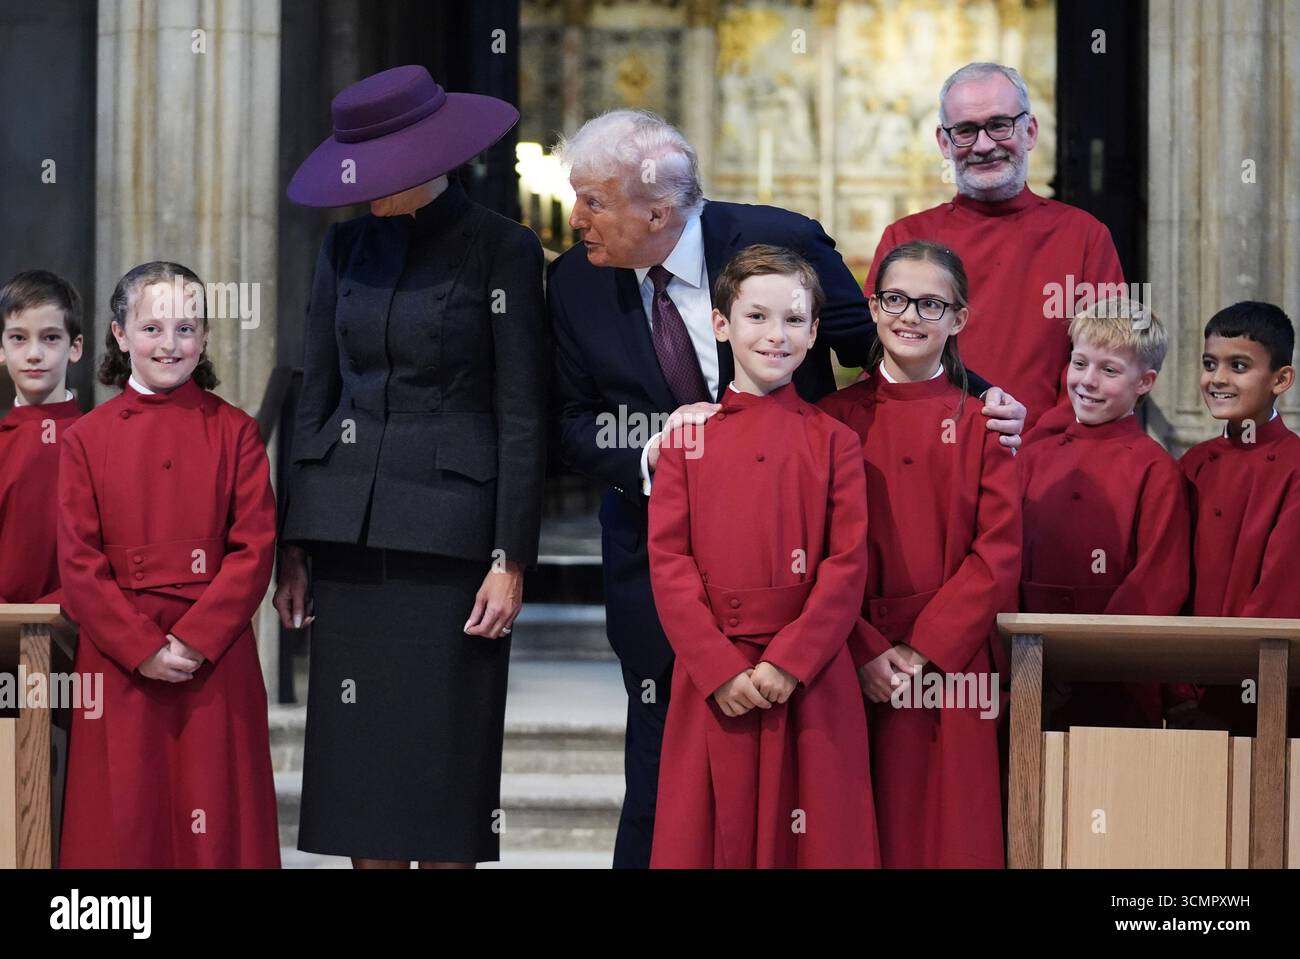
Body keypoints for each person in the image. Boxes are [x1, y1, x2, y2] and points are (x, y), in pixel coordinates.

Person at [547, 108, 1026, 868]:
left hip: (803, 602)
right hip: (662, 577)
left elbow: (883, 336)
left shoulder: (783, 244)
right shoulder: (573, 280)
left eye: (593, 201)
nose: (576, 219)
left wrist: (984, 402)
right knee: (661, 790)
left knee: (808, 804)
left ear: (656, 210)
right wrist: (658, 451)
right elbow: (567, 420)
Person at [275, 65, 548, 868]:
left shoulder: (505, 247)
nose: (359, 187)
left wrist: (512, 557)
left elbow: (522, 411)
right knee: (364, 786)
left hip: (453, 545)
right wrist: (295, 543)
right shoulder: (344, 245)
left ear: (431, 156)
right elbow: (316, 391)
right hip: (349, 541)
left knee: (442, 781)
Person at [646, 245, 878, 868]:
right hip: (713, 678)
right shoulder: (685, 441)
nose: (777, 335)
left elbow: (846, 565)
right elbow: (669, 567)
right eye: (757, 317)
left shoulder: (836, 442)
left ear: (814, 334)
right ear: (721, 324)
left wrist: (790, 662)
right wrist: (718, 668)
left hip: (811, 678)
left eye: (795, 320)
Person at [57, 261, 279, 867]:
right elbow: (78, 563)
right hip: (120, 659)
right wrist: (143, 648)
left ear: (205, 338)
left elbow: (255, 549)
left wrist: (194, 640)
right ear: (120, 334)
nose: (170, 343)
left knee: (217, 820)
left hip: (214, 660)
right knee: (126, 821)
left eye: (186, 328)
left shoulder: (237, 433)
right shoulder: (83, 439)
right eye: (152, 327)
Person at [819, 240, 1020, 868]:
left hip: (951, 665)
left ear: (959, 318)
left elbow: (997, 553)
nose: (911, 316)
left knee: (947, 833)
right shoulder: (829, 421)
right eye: (896, 299)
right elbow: (814, 555)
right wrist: (865, 650)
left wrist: (919, 651)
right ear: (874, 308)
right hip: (848, 658)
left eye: (931, 304)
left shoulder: (986, 422)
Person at [868, 62, 1125, 430]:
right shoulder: (906, 237)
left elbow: (1107, 361)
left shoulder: (1084, 236)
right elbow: (881, 359)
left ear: (1030, 130)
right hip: (929, 450)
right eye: (966, 131)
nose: (984, 145)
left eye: (1000, 125)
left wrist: (1042, 445)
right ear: (944, 142)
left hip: (1047, 458)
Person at [1019, 299, 1189, 729]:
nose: (1087, 382)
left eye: (1109, 370)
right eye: (1079, 363)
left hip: (1118, 679)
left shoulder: (1155, 467)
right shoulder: (1031, 455)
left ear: (1145, 382)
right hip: (1026, 667)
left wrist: (1088, 661)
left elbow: (1157, 581)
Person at [1176, 301, 1299, 734]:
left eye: (1239, 365)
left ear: (1281, 379)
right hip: (1184, 689)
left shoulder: (1295, 466)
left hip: (1264, 690)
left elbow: (1279, 595)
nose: (1218, 379)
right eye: (1210, 364)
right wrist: (1178, 687)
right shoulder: (1191, 464)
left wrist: (1228, 686)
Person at [0, 270, 83, 604]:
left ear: (74, 347)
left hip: (85, 633)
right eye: (19, 338)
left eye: (50, 337)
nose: (34, 354)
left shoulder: (101, 442)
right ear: (1, 348)